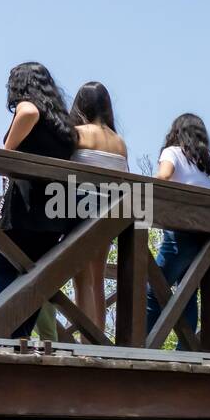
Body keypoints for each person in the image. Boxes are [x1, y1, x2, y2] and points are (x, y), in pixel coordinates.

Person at [0, 63, 77, 340]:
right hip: (56, 211)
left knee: (0, 268)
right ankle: (19, 335)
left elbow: (27, 111)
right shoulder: (63, 121)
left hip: (26, 208)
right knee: (34, 278)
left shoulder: (29, 108)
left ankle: (16, 335)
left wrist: (6, 149)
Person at [145, 113, 210, 336]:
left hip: (179, 232)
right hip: (202, 234)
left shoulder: (172, 152)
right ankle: (187, 347)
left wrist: (141, 188)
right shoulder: (205, 164)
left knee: (153, 289)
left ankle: (142, 341)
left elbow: (164, 176)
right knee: (187, 293)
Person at [69, 82, 128, 331]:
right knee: (98, 277)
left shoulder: (78, 133)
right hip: (110, 211)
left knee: (82, 278)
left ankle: (85, 338)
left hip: (79, 206)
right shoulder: (120, 142)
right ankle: (98, 339)